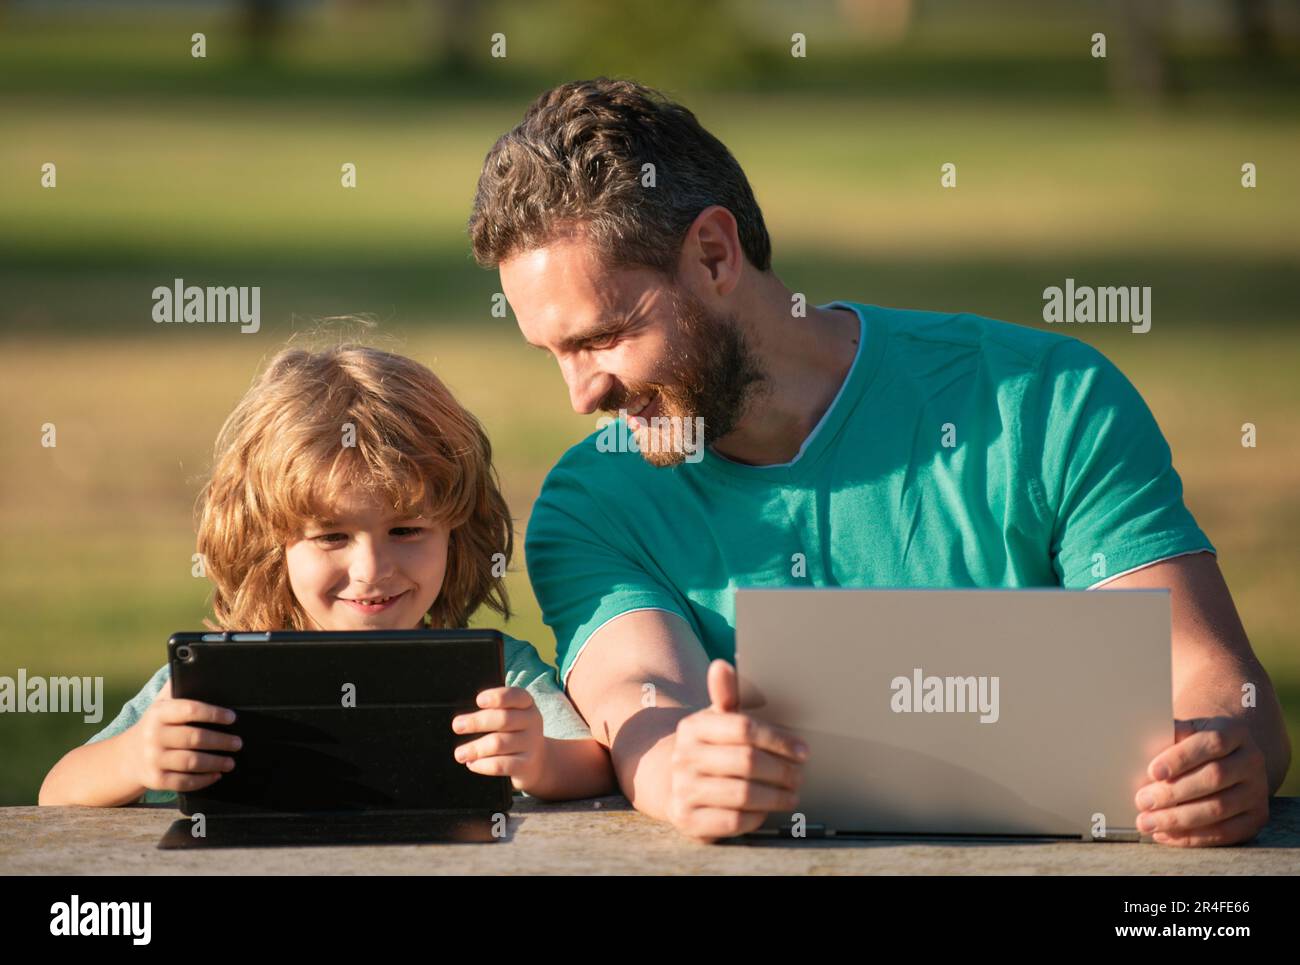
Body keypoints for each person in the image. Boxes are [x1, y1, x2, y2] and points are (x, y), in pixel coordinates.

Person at [466, 77, 1290, 845]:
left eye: (604, 338)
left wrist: (1225, 758)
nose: (581, 395)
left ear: (715, 256)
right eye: (554, 353)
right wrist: (684, 769)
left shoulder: (1042, 399)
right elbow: (643, 704)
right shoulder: (594, 500)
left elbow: (1214, 685)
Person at [39, 341, 616, 807]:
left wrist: (538, 759)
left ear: (456, 534)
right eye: (331, 536)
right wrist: (137, 757)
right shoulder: (223, 676)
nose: (372, 569)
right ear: (273, 546)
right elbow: (57, 792)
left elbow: (596, 764)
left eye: (407, 531)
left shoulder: (492, 674)